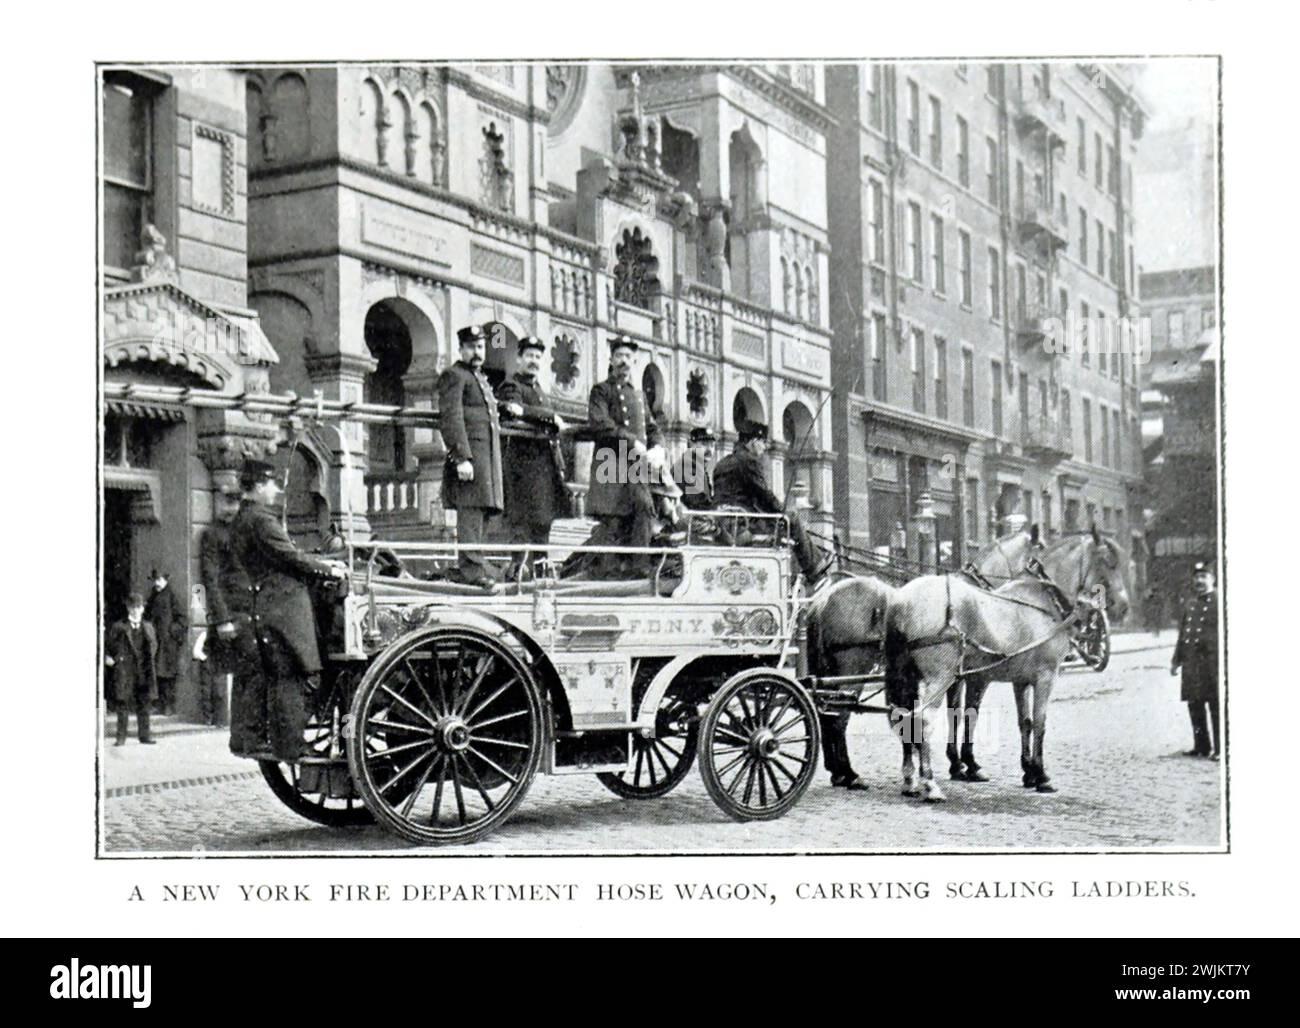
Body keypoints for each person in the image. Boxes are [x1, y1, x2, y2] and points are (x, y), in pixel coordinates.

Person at [229, 458, 347, 761]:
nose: (275, 490)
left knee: (279, 676)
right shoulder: (263, 521)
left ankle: (267, 741)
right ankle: (291, 745)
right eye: (270, 483)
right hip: (286, 609)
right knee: (295, 675)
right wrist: (328, 570)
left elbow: (283, 557)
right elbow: (290, 557)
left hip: (268, 605)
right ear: (256, 486)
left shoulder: (242, 519)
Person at [712, 420, 830, 585]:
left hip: (725, 522)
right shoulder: (748, 461)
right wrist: (782, 513)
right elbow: (765, 496)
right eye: (763, 442)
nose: (765, 447)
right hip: (741, 524)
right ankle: (815, 568)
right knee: (793, 519)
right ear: (753, 442)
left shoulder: (722, 463)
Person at [584, 334, 662, 578]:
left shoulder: (638, 396)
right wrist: (632, 441)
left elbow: (652, 427)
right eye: (619, 355)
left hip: (636, 468)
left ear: (634, 360)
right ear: (611, 358)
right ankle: (605, 576)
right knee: (612, 520)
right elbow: (600, 425)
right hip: (611, 463)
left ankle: (640, 568)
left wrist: (658, 446)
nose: (623, 361)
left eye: (628, 356)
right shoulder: (601, 391)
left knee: (644, 508)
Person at [496, 335, 571, 578]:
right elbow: (515, 410)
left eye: (538, 357)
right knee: (522, 526)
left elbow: (530, 411)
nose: (534, 361)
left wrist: (545, 416)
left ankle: (540, 573)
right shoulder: (511, 386)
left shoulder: (539, 391)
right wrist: (550, 417)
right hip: (523, 471)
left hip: (544, 469)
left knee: (543, 524)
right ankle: (517, 575)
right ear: (519, 359)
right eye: (529, 356)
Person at [438, 324, 506, 588]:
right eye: (471, 347)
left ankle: (477, 566)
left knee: (483, 515)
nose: (476, 352)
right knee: (470, 513)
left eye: (480, 347)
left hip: (487, 460)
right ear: (461, 349)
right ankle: (471, 570)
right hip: (470, 459)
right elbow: (451, 417)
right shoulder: (454, 375)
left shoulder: (480, 379)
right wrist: (461, 457)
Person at [197, 481, 248, 727]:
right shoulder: (212, 534)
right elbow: (210, 578)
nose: (232, 508)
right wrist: (222, 618)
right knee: (227, 674)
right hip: (230, 615)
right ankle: (224, 722)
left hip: (250, 612)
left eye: (236, 502)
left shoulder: (247, 529)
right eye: (228, 501)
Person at [1171, 562, 1220, 760]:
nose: (1199, 581)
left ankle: (1221, 749)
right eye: (1197, 577)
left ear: (1213, 579)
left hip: (1212, 663)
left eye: (1204, 577)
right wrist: (1176, 661)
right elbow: (1183, 635)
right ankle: (1201, 746)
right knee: (1195, 705)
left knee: (1216, 706)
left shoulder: (1220, 601)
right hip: (1192, 664)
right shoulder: (1190, 604)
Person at [105, 592, 158, 745]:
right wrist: (110, 658)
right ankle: (121, 737)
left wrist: (149, 660)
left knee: (144, 703)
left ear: (143, 609)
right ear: (128, 609)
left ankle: (144, 735)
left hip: (143, 670)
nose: (136, 611)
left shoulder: (148, 627)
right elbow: (109, 645)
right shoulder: (119, 627)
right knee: (123, 704)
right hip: (125, 670)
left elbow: (154, 644)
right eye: (133, 607)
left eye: (139, 607)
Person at [145, 568, 186, 716]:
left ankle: (169, 706)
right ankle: (158, 704)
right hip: (155, 642)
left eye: (160, 580)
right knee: (157, 674)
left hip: (168, 643)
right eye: (155, 580)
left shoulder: (172, 596)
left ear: (166, 580)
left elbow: (182, 619)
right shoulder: (153, 596)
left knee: (168, 675)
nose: (157, 583)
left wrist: (171, 632)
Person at [672, 427, 717, 511]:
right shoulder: (688, 465)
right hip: (690, 520)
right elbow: (697, 501)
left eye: (712, 445)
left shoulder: (698, 466)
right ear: (692, 445)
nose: (709, 449)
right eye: (704, 444)